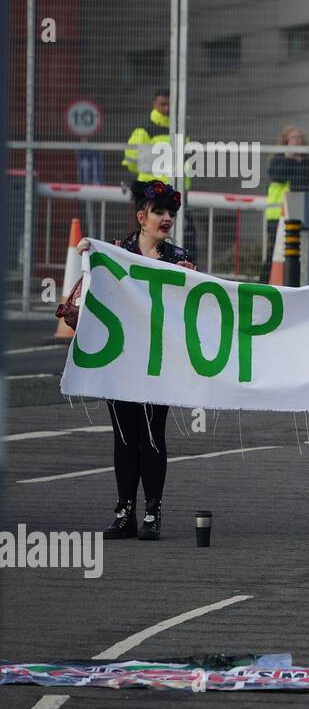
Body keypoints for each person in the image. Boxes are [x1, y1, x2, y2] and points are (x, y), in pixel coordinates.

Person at [75, 180, 197, 541]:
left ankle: (152, 510)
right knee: (125, 437)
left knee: (152, 435)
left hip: (157, 363)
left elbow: (191, 310)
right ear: (141, 217)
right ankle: (125, 510)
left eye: (171, 213)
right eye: (159, 212)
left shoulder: (178, 258)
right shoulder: (116, 251)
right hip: (121, 360)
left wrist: (192, 279)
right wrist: (88, 251)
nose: (167, 219)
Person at [262, 126, 309, 283]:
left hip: (301, 212)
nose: (297, 141)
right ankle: (265, 282)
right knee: (274, 254)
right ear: (285, 142)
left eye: (299, 137)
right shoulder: (278, 160)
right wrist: (289, 158)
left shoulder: (307, 162)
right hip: (278, 215)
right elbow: (279, 176)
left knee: (301, 253)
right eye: (293, 138)